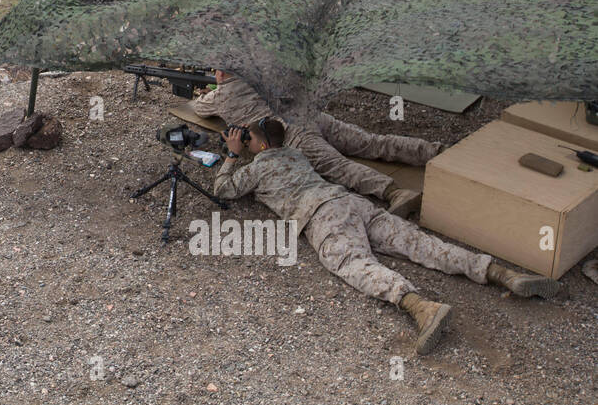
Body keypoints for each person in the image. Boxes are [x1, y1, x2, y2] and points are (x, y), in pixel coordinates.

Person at [211, 118, 560, 354]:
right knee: (421, 244)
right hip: (350, 201)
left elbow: (224, 190)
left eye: (249, 138)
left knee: (355, 264)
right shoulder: (297, 154)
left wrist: (231, 154)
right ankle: (502, 274)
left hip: (321, 216)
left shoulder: (257, 167)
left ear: (257, 144)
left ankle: (421, 307)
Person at [193, 69, 439, 218]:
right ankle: (433, 152)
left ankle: (394, 192)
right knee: (371, 143)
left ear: (222, 74)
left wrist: (207, 94)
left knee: (341, 168)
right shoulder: (262, 74)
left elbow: (200, 108)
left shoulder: (223, 95)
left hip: (292, 135)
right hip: (310, 116)